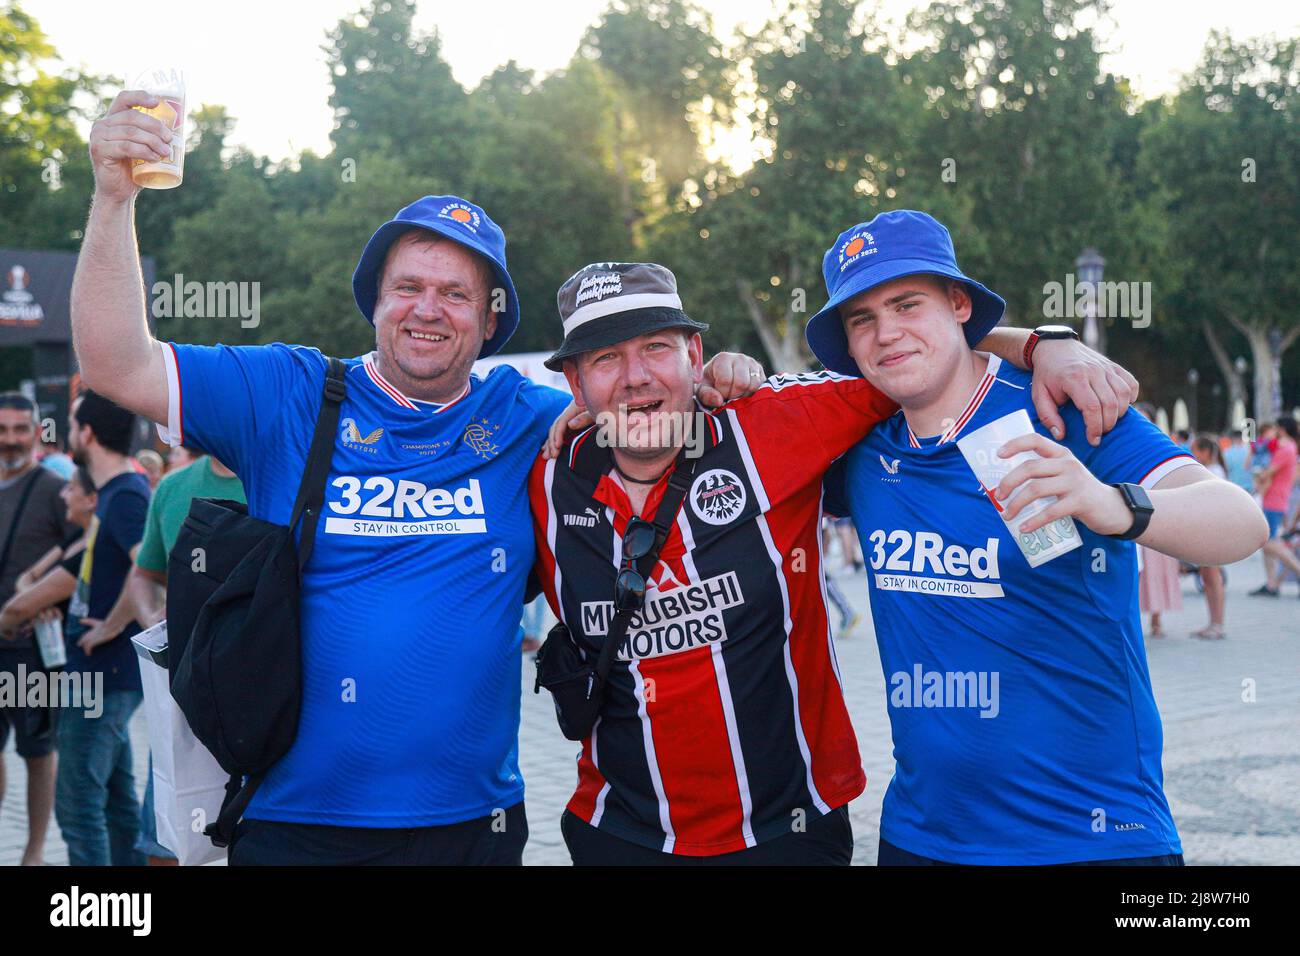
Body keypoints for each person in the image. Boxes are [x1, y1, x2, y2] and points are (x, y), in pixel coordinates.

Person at [70, 88, 760, 865]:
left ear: (491, 317)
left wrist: (729, 378)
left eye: (456, 293)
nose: (428, 309)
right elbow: (114, 362)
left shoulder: (529, 415)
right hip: (294, 821)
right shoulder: (288, 393)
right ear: (376, 301)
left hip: (473, 826)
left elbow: (648, 405)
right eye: (409, 287)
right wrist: (113, 197)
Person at [533, 260, 1139, 864]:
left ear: (695, 355)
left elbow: (915, 359)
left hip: (791, 831)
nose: (636, 377)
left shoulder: (776, 423)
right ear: (575, 384)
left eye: (656, 347)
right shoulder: (538, 477)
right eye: (605, 359)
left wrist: (1041, 344)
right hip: (620, 833)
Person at [809, 209, 1267, 865]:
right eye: (862, 319)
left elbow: (1240, 521)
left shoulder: (1066, 410)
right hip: (920, 837)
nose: (887, 333)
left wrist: (1110, 504)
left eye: (907, 303)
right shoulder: (857, 443)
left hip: (1092, 839)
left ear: (959, 304)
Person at [126, 450, 246, 865]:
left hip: (271, 694)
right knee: (165, 837)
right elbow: (145, 573)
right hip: (184, 694)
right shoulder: (174, 487)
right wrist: (153, 620)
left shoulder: (290, 473)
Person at [56, 391, 152, 866]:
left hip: (104, 675)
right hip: (99, 672)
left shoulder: (128, 496)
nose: (69, 433)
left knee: (76, 805)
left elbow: (150, 575)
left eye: (73, 425)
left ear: (87, 433)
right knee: (116, 806)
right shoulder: (117, 492)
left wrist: (108, 628)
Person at [0, 392, 76, 866]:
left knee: (36, 750)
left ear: (37, 432)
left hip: (30, 647)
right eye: (3, 429)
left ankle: (33, 852)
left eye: (19, 429)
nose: (10, 440)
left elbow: (80, 551)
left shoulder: (53, 489)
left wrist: (53, 599)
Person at [1248, 417, 1300, 597]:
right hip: (1275, 498)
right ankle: (1271, 584)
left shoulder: (1286, 448)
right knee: (1268, 541)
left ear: (1283, 429)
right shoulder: (1289, 447)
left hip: (1274, 499)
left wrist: (1259, 474)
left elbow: (1269, 471)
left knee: (1268, 542)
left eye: (1277, 427)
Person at [1189, 436, 1228, 638]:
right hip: (1209, 528)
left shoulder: (1212, 472)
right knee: (1208, 576)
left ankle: (1217, 623)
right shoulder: (1215, 470)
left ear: (1205, 452)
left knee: (1212, 577)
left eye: (1194, 450)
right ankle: (1214, 622)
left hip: (1213, 529)